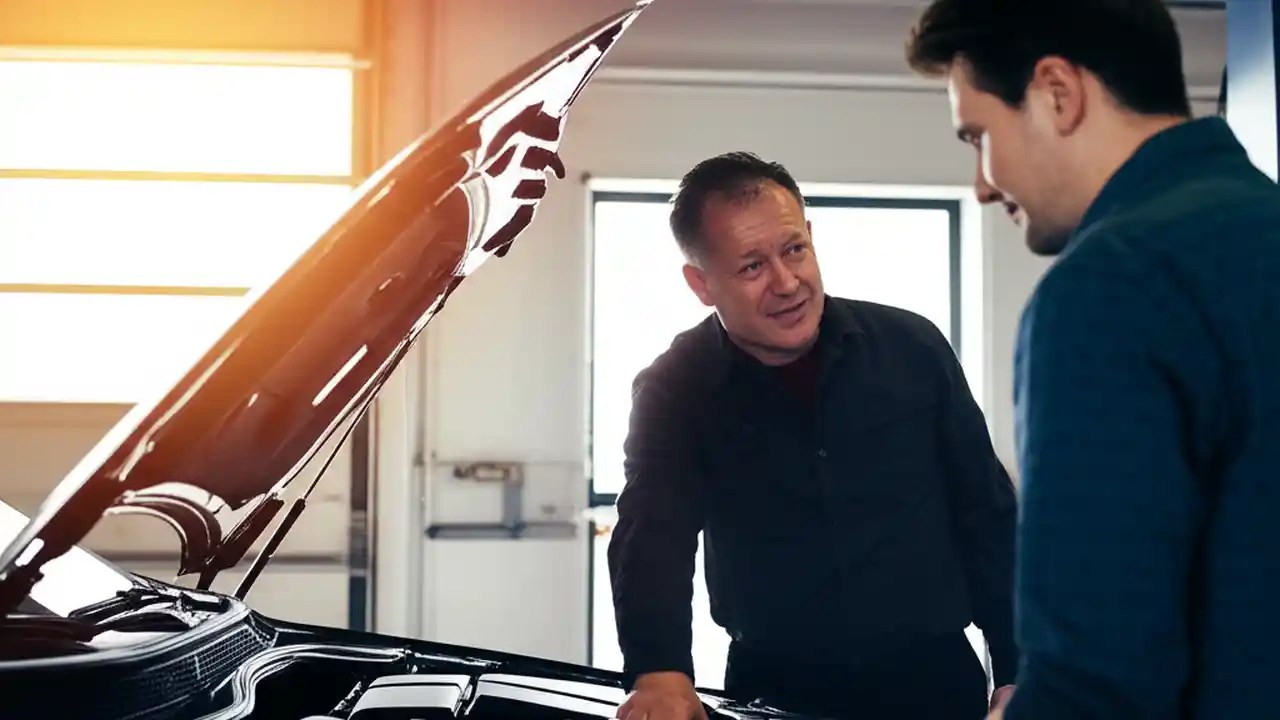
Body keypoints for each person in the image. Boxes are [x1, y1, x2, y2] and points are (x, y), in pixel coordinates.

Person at [906, 1, 1280, 718]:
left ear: (1057, 93)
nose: (982, 185)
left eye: (978, 135)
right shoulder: (1261, 225)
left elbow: (1097, 674)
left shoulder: (1110, 283)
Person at [607, 151, 1018, 720]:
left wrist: (1018, 668)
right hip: (773, 689)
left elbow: (986, 512)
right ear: (701, 284)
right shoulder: (675, 388)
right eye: (751, 267)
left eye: (794, 250)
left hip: (933, 680)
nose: (786, 282)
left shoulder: (912, 347)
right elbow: (653, 537)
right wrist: (659, 672)